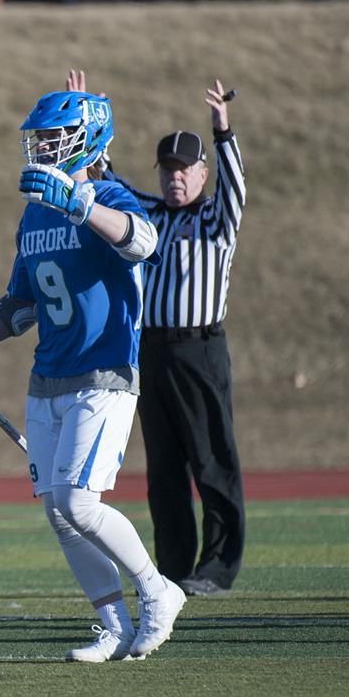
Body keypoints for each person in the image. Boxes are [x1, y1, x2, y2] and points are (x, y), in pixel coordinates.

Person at [0, 85, 187, 662]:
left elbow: (145, 243)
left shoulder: (109, 196)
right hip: (49, 378)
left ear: (87, 140)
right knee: (60, 512)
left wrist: (82, 205)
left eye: (53, 138)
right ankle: (112, 626)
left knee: (79, 501)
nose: (41, 147)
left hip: (104, 372)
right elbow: (22, 304)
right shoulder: (35, 213)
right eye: (37, 138)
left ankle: (158, 591)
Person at [102, 75, 247, 596]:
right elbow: (111, 185)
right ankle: (172, 569)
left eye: (184, 169)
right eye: (167, 170)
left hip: (199, 349)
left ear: (201, 172)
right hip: (151, 352)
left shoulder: (214, 218)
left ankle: (217, 568)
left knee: (211, 461)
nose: (175, 179)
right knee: (164, 470)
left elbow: (236, 190)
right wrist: (84, 116)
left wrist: (222, 131)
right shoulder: (151, 216)